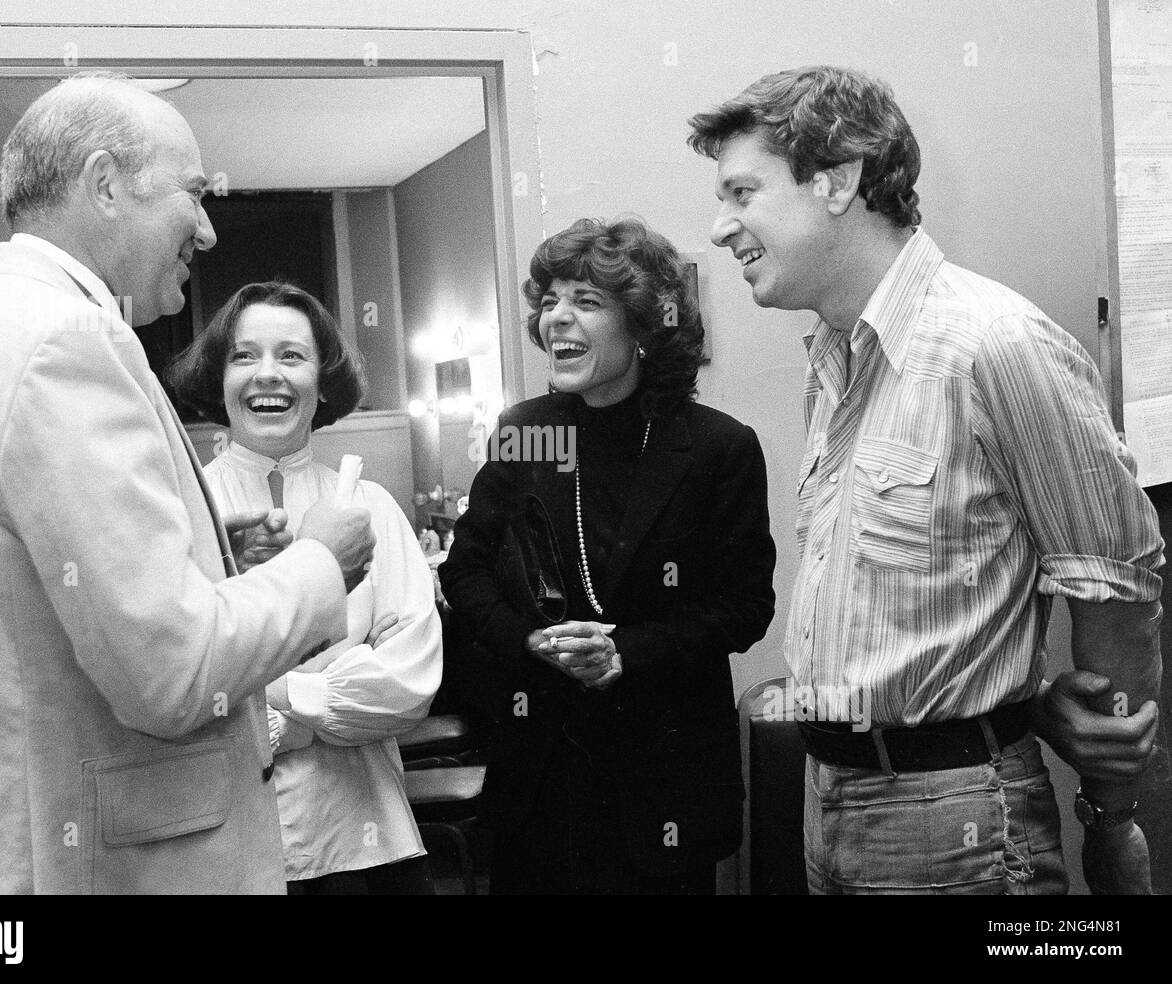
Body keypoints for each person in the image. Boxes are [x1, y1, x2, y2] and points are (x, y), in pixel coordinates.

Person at [0, 73, 375, 893]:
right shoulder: (65, 344)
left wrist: (215, 569)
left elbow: (47, 604)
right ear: (105, 183)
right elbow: (171, 676)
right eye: (193, 193)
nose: (210, 231)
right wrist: (319, 564)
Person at [689, 65, 1164, 894]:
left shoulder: (996, 345)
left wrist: (1111, 818)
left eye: (740, 192)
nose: (720, 227)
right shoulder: (832, 359)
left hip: (957, 828)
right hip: (829, 799)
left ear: (834, 181)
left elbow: (1115, 591)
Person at [438, 217, 777, 894]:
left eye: (586, 302)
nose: (556, 319)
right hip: (539, 784)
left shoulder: (716, 448)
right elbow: (465, 570)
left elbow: (746, 606)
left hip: (665, 785)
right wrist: (532, 640)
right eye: (551, 302)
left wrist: (631, 651)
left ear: (647, 325)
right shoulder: (528, 432)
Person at [167, 281, 442, 893]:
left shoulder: (372, 507)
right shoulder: (180, 511)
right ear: (218, 379)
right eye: (244, 356)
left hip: (361, 843)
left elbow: (408, 682)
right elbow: (173, 681)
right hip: (220, 852)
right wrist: (333, 688)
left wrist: (275, 700)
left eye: (292, 356)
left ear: (324, 384)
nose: (268, 375)